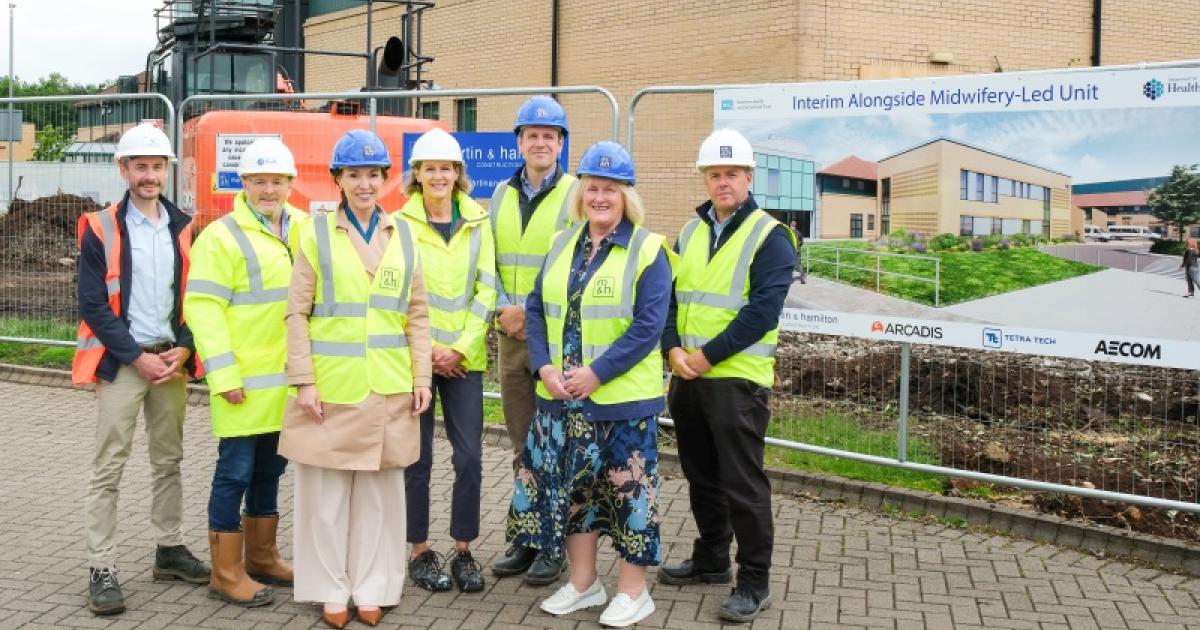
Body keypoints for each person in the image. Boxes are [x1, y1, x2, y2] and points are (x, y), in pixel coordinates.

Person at [508, 141, 672, 628]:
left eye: (611, 189)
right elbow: (536, 309)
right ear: (582, 192)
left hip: (621, 402)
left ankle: (633, 592)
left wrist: (596, 374)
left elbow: (648, 326)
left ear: (626, 195)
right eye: (592, 188)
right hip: (562, 401)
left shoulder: (648, 250)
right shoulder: (562, 243)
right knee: (575, 496)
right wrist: (543, 367)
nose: (600, 197)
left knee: (629, 496)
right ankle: (583, 583)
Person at [278, 129, 432, 629]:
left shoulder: (405, 234)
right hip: (330, 385)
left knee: (380, 498)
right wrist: (303, 379)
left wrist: (422, 377)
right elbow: (296, 313)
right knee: (324, 498)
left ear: (386, 179)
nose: (364, 184)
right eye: (353, 174)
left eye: (373, 174)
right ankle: (330, 590)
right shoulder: (315, 234)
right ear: (338, 180)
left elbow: (418, 315)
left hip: (389, 386)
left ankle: (373, 587)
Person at [659, 129, 796, 623]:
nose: (722, 182)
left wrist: (706, 356)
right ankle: (712, 558)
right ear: (705, 178)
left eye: (731, 174)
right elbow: (671, 296)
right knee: (702, 477)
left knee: (743, 483)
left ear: (748, 177)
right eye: (714, 174)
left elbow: (762, 312)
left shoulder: (771, 236)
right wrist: (672, 346)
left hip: (737, 380)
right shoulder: (691, 231)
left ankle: (754, 581)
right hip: (688, 378)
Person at [74, 122, 210, 616]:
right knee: (109, 465)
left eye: (157, 166)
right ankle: (101, 567)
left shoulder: (184, 225)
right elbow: (92, 303)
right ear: (123, 169)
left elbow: (198, 296)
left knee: (168, 460)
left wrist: (186, 346)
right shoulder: (100, 226)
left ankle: (169, 549)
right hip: (125, 362)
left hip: (170, 361)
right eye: (140, 167)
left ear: (166, 170)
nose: (149, 175)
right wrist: (136, 355)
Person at [184, 137, 304, 607]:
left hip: (284, 383)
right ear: (244, 183)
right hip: (242, 384)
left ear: (290, 184)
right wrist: (224, 375)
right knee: (233, 472)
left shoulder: (300, 231)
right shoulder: (222, 236)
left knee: (270, 471)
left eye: (277, 180)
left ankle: (262, 556)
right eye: (259, 180)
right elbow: (203, 308)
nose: (268, 189)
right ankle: (225, 571)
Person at [398, 128, 496, 593]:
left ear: (459, 174)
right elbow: (395, 294)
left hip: (465, 359)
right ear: (415, 174)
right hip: (417, 362)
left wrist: (459, 347)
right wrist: (429, 354)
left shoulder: (479, 221)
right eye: (429, 167)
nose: (438, 175)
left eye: (447, 168)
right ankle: (418, 551)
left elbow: (487, 289)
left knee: (470, 457)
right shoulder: (398, 224)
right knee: (416, 459)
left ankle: (463, 550)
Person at [490, 95, 577, 584]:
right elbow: (491, 258)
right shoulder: (501, 195)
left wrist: (530, 312)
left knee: (556, 445)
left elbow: (580, 259)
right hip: (510, 335)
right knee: (523, 444)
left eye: (550, 135)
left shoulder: (576, 194)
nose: (540, 142)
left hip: (554, 339)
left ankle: (553, 543)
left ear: (561, 144)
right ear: (520, 143)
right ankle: (524, 537)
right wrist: (505, 306)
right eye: (532, 135)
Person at [789, 219, 807, 284]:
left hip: (790, 250)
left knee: (789, 264)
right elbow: (802, 242)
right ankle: (802, 278)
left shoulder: (788, 232)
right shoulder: (799, 232)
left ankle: (790, 279)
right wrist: (798, 247)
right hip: (798, 251)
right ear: (795, 226)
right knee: (799, 264)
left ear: (791, 225)